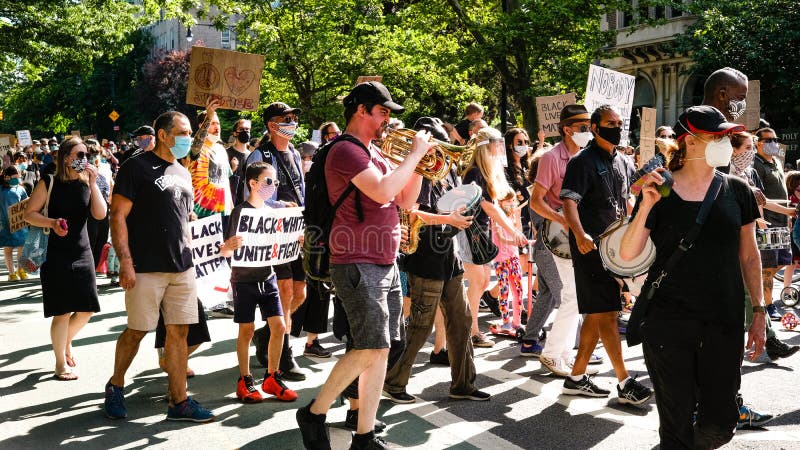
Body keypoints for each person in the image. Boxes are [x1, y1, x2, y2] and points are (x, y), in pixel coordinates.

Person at [620, 105, 766, 448]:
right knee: (676, 425)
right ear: (689, 140)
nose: (725, 143)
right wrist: (644, 206)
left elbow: (749, 255)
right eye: (717, 136)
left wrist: (759, 311)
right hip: (668, 323)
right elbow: (627, 253)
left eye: (727, 137)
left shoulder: (737, 190)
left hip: (723, 321)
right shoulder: (661, 190)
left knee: (720, 424)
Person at [295, 81, 428, 450]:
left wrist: (422, 166)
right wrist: (415, 155)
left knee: (382, 348)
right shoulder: (345, 151)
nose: (387, 120)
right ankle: (315, 412)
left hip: (384, 260)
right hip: (355, 260)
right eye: (383, 112)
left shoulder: (376, 152)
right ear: (361, 111)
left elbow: (404, 199)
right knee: (369, 345)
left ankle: (365, 434)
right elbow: (382, 191)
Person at [103, 111, 214, 423]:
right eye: (181, 132)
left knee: (178, 333)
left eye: (190, 133)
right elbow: (118, 216)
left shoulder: (181, 170)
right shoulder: (135, 167)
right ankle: (115, 385)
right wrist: (125, 261)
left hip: (182, 266)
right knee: (137, 330)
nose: (187, 139)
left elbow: (181, 215)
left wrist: (211, 115)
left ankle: (179, 402)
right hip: (146, 266)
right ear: (163, 135)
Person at [382, 116, 489, 405]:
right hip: (426, 256)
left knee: (462, 321)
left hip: (448, 254)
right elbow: (412, 211)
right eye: (435, 144)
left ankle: (464, 384)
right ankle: (393, 382)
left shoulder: (446, 171)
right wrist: (448, 218)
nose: (442, 150)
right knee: (420, 325)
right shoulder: (419, 172)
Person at [559, 105, 651, 403]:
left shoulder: (624, 161)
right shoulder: (580, 162)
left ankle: (576, 377)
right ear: (595, 128)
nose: (617, 127)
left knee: (599, 314)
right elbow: (569, 203)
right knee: (607, 314)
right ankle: (624, 382)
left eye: (620, 122)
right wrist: (579, 234)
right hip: (590, 249)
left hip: (615, 249)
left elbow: (625, 202)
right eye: (611, 123)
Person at [525, 104, 604, 374]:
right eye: (582, 127)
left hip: (582, 232)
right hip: (559, 237)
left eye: (589, 126)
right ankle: (552, 353)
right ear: (567, 130)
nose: (588, 132)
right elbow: (535, 202)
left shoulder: (588, 156)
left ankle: (564, 354)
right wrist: (565, 221)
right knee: (571, 295)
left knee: (576, 295)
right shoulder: (550, 158)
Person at [23, 137, 106, 380]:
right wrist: (52, 222)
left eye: (86, 155)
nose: (84, 160)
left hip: (83, 252)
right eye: (79, 155)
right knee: (62, 311)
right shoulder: (48, 182)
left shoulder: (86, 182)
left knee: (87, 309)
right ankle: (60, 362)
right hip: (55, 254)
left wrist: (92, 183)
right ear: (66, 157)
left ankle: (65, 341)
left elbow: (100, 214)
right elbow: (30, 214)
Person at [221, 161, 298, 403]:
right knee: (247, 330)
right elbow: (225, 250)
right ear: (253, 183)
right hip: (243, 281)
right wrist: (228, 247)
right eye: (268, 181)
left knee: (279, 326)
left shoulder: (274, 209)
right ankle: (244, 379)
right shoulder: (240, 212)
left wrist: (295, 236)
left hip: (267, 277)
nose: (273, 186)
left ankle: (271, 377)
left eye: (275, 182)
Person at [244, 101, 308, 381]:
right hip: (272, 234)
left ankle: (268, 331)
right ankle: (283, 355)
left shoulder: (294, 152)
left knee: (300, 293)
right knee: (285, 292)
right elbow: (252, 196)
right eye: (287, 118)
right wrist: (279, 206)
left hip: (296, 232)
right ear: (272, 125)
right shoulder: (259, 155)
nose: (292, 121)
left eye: (294, 117)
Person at [460, 127, 528, 348]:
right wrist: (513, 231)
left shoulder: (485, 172)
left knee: (479, 281)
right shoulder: (475, 172)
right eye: (497, 144)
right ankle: (471, 332)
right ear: (487, 146)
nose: (501, 148)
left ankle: (468, 329)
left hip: (480, 233)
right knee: (478, 281)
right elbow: (489, 208)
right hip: (470, 231)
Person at [751, 127, 794, 321]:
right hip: (767, 224)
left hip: (782, 223)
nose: (773, 143)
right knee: (768, 268)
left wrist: (788, 217)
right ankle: (767, 305)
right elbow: (761, 199)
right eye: (769, 140)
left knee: (781, 263)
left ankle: (759, 292)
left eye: (775, 139)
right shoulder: (755, 164)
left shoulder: (776, 161)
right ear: (758, 142)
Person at [488, 191, 525, 336]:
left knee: (518, 290)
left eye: (513, 200)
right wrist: (516, 241)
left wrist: (518, 216)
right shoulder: (496, 218)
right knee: (504, 292)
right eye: (507, 201)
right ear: (500, 202)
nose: (511, 203)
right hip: (501, 260)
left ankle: (517, 321)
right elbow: (501, 238)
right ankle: (506, 321)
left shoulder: (512, 216)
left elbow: (519, 232)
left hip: (514, 257)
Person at [1, 166, 29, 281]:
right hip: (5, 224)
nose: (17, 179)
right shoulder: (1, 189)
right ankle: (11, 273)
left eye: (19, 176)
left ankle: (20, 269)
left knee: (22, 247)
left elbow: (25, 203)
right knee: (8, 249)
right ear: (7, 177)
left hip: (19, 224)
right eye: (15, 177)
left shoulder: (21, 189)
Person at [228, 118, 252, 205]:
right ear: (235, 133)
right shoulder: (226, 153)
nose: (245, 132)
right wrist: (232, 169)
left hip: (246, 202)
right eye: (241, 129)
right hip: (230, 202)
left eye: (247, 129)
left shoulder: (252, 156)